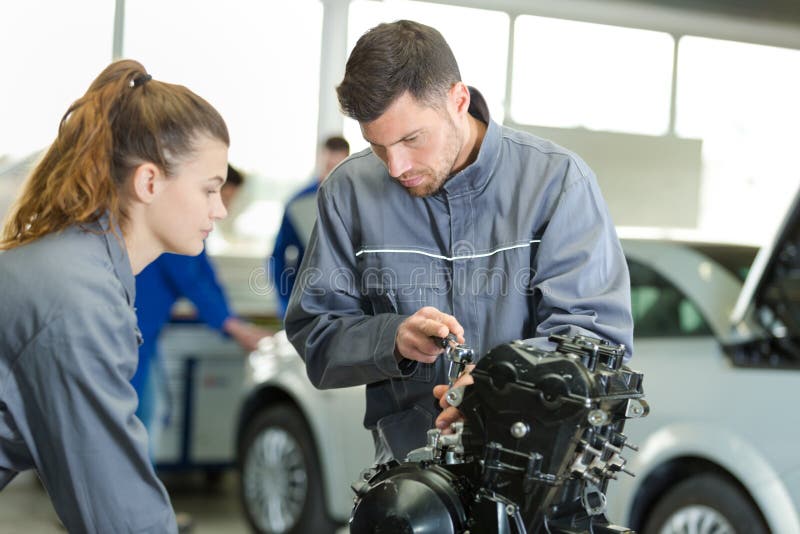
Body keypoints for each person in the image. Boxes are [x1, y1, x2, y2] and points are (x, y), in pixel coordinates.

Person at [285, 20, 634, 463]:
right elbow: (315, 331)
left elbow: (595, 337)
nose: (395, 167)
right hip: (411, 475)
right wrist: (392, 338)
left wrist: (497, 388)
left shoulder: (558, 184)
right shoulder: (347, 193)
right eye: (378, 145)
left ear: (458, 100)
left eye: (412, 139)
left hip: (537, 469)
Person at [0, 59, 229, 533]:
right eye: (210, 189)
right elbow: (121, 516)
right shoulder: (78, 299)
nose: (220, 209)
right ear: (149, 182)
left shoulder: (79, 268)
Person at [133, 163, 270, 456]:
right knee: (139, 423)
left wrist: (233, 320)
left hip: (145, 333)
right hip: (132, 331)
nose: (224, 209)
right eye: (221, 196)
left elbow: (206, 274)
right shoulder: (176, 220)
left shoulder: (194, 229)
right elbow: (191, 280)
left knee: (147, 417)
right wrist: (233, 327)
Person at [269, 135, 350, 318]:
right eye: (328, 166)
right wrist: (286, 304)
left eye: (337, 167)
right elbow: (278, 257)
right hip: (309, 300)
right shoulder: (297, 204)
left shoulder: (359, 201)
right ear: (320, 160)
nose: (331, 174)